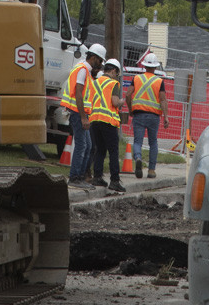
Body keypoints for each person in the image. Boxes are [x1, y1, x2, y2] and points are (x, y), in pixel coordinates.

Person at [60, 43, 105, 182]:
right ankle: (75, 177)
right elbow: (79, 94)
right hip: (78, 114)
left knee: (88, 146)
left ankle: (80, 176)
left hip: (80, 114)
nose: (101, 63)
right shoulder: (83, 70)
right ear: (94, 57)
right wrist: (83, 117)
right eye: (100, 60)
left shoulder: (85, 70)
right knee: (82, 146)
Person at [84, 57, 126, 193]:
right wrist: (122, 101)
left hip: (94, 120)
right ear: (113, 71)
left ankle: (97, 177)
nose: (117, 77)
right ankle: (115, 180)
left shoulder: (95, 82)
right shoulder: (113, 84)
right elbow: (114, 102)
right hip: (108, 120)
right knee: (113, 151)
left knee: (100, 150)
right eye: (117, 74)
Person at [130, 52, 166, 180]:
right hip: (153, 116)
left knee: (137, 141)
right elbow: (162, 100)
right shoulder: (159, 81)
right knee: (153, 143)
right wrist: (166, 117)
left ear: (144, 66)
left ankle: (138, 157)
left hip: (138, 114)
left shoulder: (136, 78)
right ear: (155, 67)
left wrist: (130, 110)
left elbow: (128, 95)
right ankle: (151, 170)